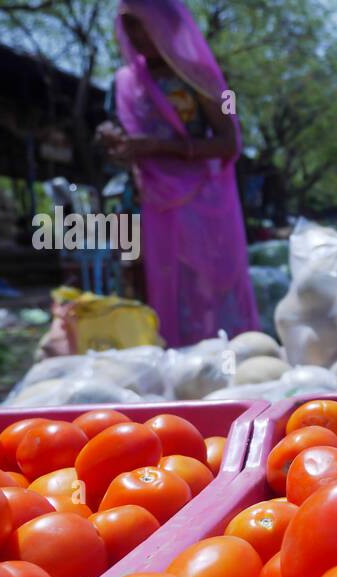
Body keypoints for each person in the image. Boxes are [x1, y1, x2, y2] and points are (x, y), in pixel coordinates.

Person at [96, 0, 259, 347]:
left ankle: (227, 371)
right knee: (147, 290)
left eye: (142, 23)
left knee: (206, 296)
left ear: (167, 22)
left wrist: (160, 146)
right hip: (146, 204)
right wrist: (110, 138)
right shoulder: (123, 82)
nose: (137, 34)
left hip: (201, 209)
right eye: (128, 25)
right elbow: (117, 133)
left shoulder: (207, 78)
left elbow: (231, 141)